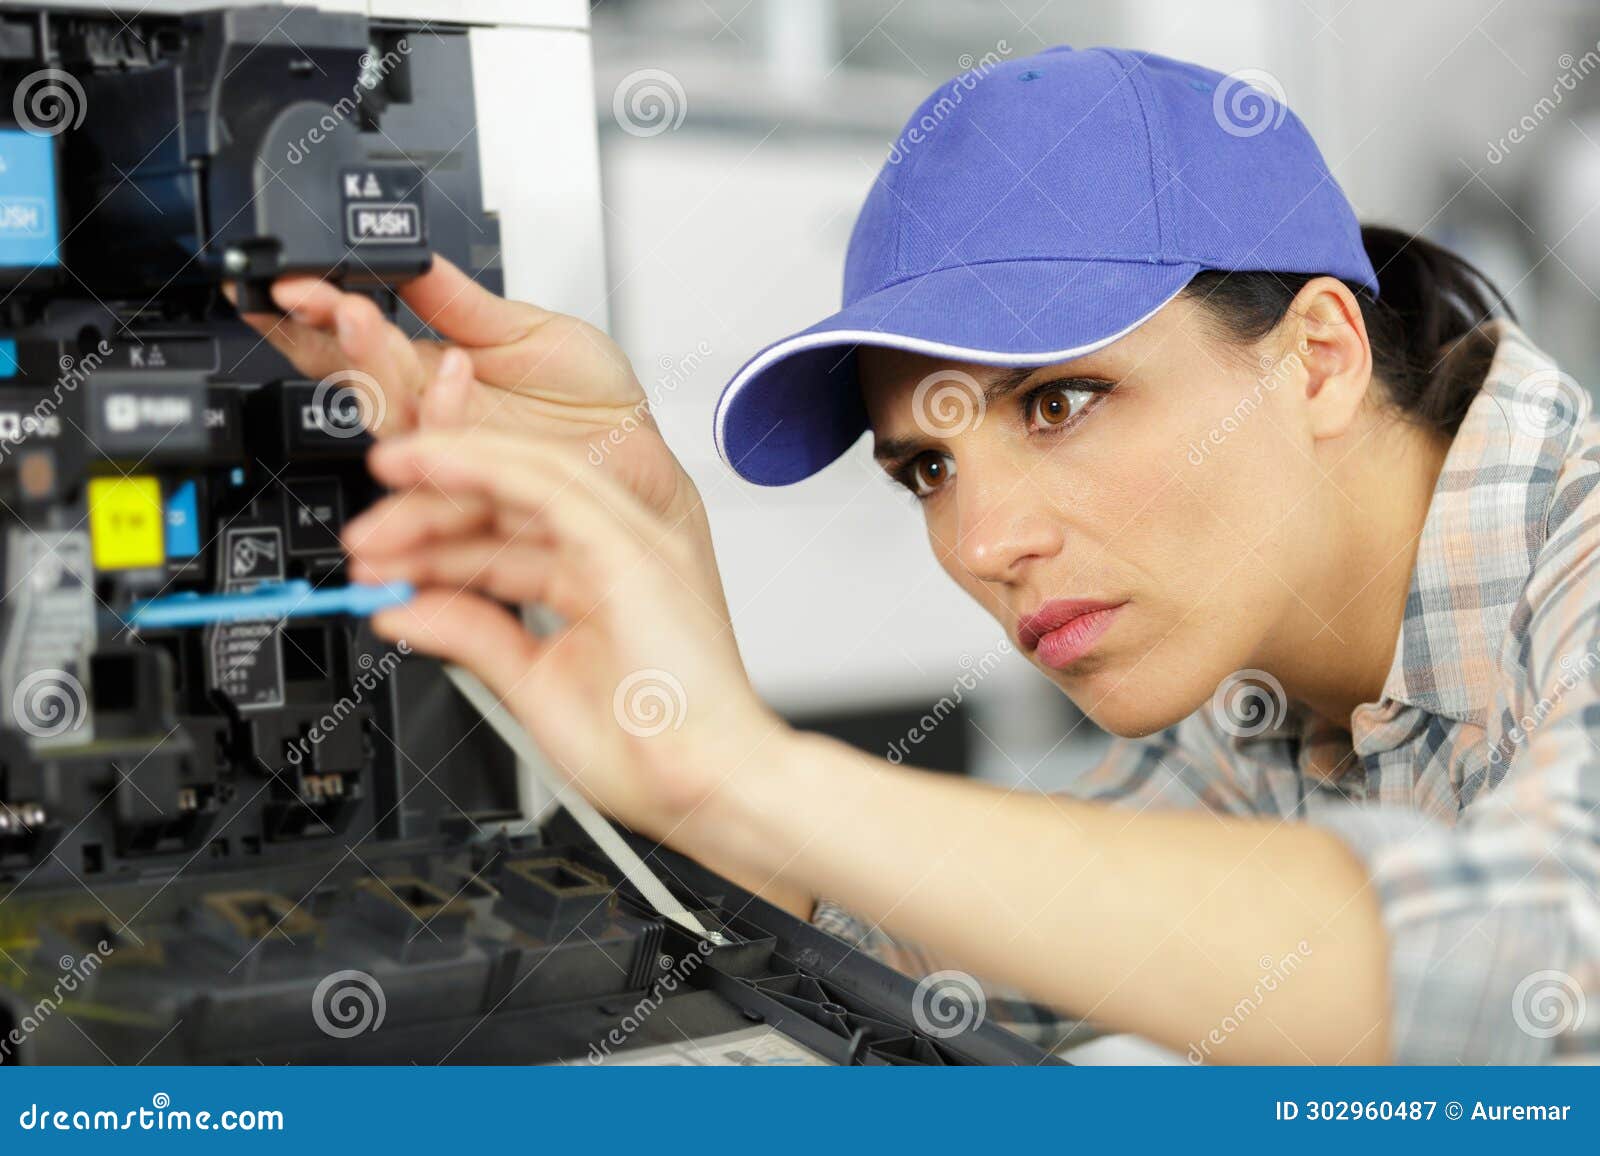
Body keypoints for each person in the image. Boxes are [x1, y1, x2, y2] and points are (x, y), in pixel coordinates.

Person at [237, 46, 1600, 1064]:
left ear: (1317, 358)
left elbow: (1531, 967)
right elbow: (901, 972)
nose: (984, 543)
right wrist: (656, 575)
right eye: (928, 469)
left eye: (1059, 401)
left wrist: (756, 770)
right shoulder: (1251, 710)